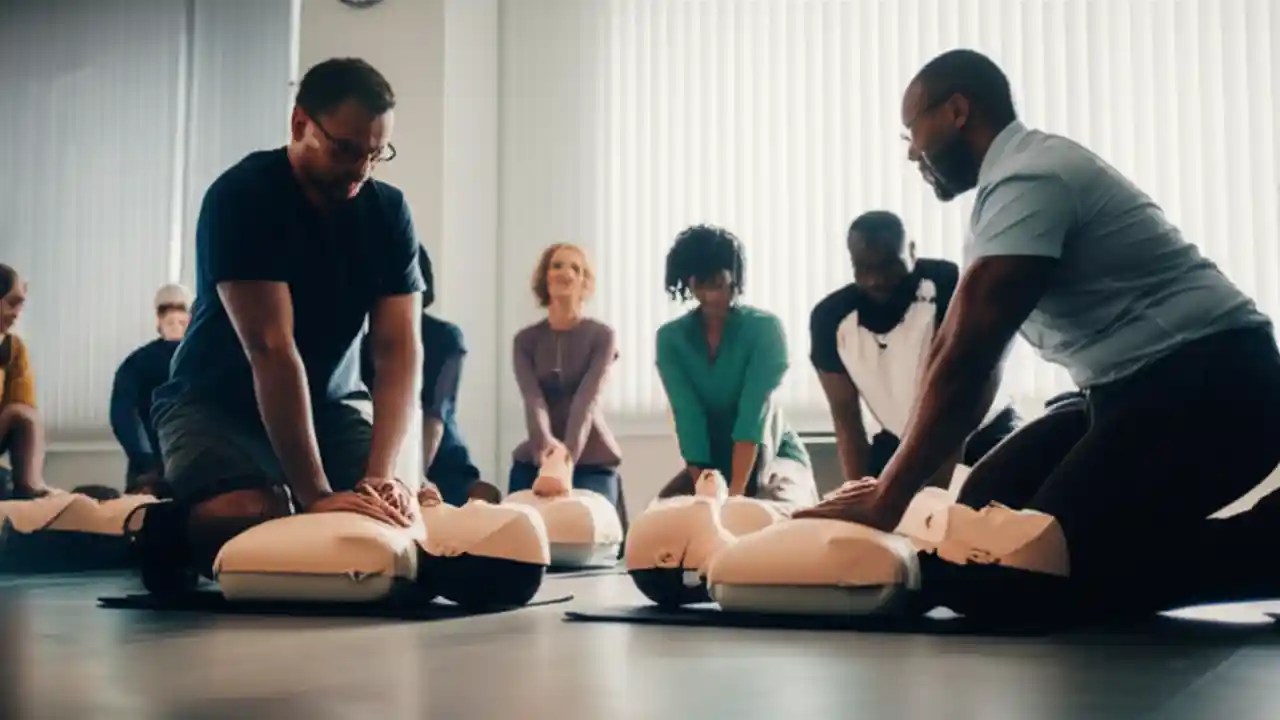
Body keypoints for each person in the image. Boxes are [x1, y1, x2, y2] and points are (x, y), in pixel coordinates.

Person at [798, 49, 1280, 617]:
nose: (912, 152)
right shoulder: (1001, 196)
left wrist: (888, 495)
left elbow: (967, 358)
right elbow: (969, 362)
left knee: (1028, 571)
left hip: (1216, 388)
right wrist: (910, 490)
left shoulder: (1030, 177)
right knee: (977, 523)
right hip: (1121, 392)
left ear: (956, 110)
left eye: (913, 130)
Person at [137, 58, 425, 590]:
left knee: (400, 512)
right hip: (214, 403)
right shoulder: (243, 197)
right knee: (254, 509)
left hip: (329, 408)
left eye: (375, 153)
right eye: (345, 150)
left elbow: (398, 350)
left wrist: (381, 476)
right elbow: (272, 348)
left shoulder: (388, 212)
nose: (362, 169)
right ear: (300, 125)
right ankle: (161, 526)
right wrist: (313, 494)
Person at [810, 210, 1019, 485]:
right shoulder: (830, 319)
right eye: (864, 269)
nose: (876, 280)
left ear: (911, 251)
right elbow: (846, 419)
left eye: (888, 265)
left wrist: (941, 489)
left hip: (981, 434)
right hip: (901, 442)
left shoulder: (947, 284)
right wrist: (856, 495)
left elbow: (961, 388)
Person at [655, 225, 819, 510]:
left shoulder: (764, 330)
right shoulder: (672, 338)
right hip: (711, 465)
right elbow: (687, 417)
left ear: (734, 279)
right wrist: (705, 490)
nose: (711, 297)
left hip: (770, 453)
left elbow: (753, 416)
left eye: (718, 285)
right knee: (657, 525)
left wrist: (735, 497)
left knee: (763, 520)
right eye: (700, 286)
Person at [361, 246, 482, 507]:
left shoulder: (443, 336)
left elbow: (434, 415)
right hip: (369, 455)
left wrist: (413, 479)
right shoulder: (360, 338)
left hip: (435, 463)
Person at [508, 243, 624, 508]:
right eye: (557, 265)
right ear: (545, 277)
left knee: (587, 525)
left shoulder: (602, 336)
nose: (566, 273)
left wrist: (566, 458)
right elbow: (533, 399)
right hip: (539, 455)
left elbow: (586, 399)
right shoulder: (525, 340)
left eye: (576, 268)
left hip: (591, 460)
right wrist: (546, 449)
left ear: (584, 282)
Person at [109, 283, 192, 496]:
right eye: (169, 316)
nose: (175, 323)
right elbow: (124, 415)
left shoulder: (205, 360)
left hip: (177, 468)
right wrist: (146, 464)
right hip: (156, 472)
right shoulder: (136, 364)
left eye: (181, 318)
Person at [0, 264, 54, 500]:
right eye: (12, 303)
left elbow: (23, 411)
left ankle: (31, 490)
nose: (17, 313)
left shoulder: (13, 348)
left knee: (21, 414)